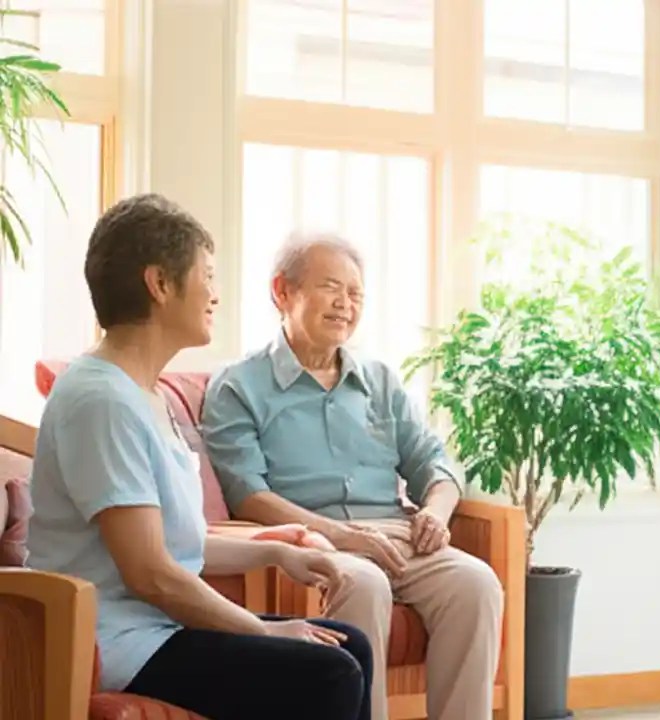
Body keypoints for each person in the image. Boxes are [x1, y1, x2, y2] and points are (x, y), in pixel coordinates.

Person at [25, 194, 374, 720]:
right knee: (328, 669)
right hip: (118, 644)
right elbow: (151, 574)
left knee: (349, 645)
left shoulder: (145, 393)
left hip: (156, 629)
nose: (215, 293)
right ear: (159, 284)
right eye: (207, 276)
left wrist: (273, 553)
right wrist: (264, 630)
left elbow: (169, 544)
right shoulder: (101, 401)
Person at [201, 231, 503, 720]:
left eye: (356, 293)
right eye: (330, 287)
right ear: (283, 291)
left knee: (476, 583)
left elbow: (437, 465)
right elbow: (248, 494)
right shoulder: (239, 385)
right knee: (363, 583)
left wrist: (435, 512)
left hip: (399, 535)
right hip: (312, 538)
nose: (345, 304)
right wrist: (340, 535)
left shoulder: (380, 381)